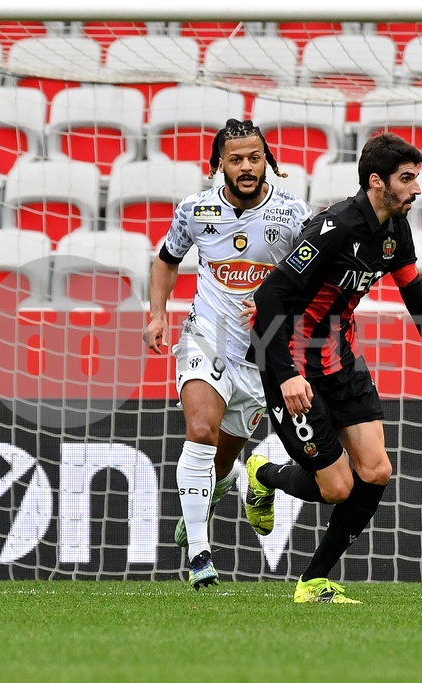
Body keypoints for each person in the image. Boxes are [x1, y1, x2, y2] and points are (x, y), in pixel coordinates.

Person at [247, 132, 422, 603]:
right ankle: (262, 474)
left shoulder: (396, 230)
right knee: (337, 487)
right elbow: (268, 297)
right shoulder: (334, 228)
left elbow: (417, 301)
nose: (416, 188)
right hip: (293, 365)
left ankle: (313, 582)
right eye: (406, 178)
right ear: (376, 182)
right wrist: (285, 374)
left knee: (376, 471)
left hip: (341, 361)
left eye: (416, 177)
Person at [143, 119, 311, 590]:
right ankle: (199, 553)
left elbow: (315, 279)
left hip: (262, 356)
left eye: (254, 158)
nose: (246, 167)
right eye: (236, 159)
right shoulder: (195, 210)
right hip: (205, 337)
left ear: (267, 160)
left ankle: (215, 491)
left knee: (219, 462)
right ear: (220, 164)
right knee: (201, 431)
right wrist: (157, 315)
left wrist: (279, 304)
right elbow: (166, 260)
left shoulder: (293, 214)